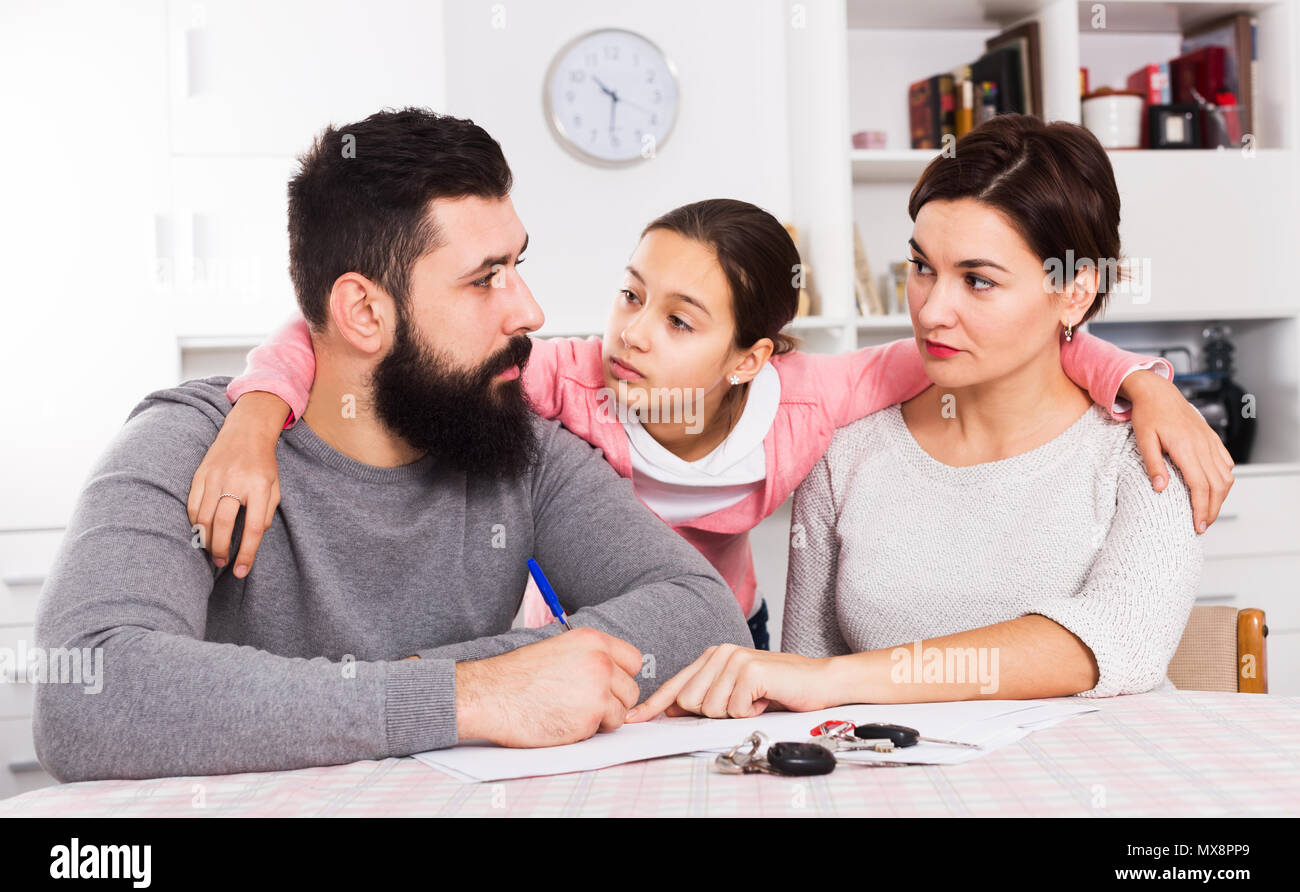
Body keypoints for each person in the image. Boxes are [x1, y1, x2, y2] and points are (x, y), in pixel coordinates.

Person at [32, 108, 753, 782]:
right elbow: (87, 690)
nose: (529, 311)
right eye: (484, 280)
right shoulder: (197, 444)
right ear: (365, 313)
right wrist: (463, 696)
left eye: (518, 266)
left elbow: (705, 617)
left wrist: (434, 683)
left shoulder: (521, 449)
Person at [190, 198, 1229, 652]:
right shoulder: (566, 376)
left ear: (750, 358)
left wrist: (1146, 383)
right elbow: (337, 325)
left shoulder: (816, 399)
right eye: (631, 293)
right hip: (580, 631)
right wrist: (253, 415)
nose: (630, 333)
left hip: (735, 631)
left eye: (678, 318)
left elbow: (1004, 341)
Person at [626, 115, 1218, 721]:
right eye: (922, 266)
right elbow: (802, 679)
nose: (933, 310)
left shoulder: (1149, 446)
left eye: (978, 281)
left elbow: (1119, 640)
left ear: (1074, 290)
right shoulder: (846, 451)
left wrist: (840, 678)